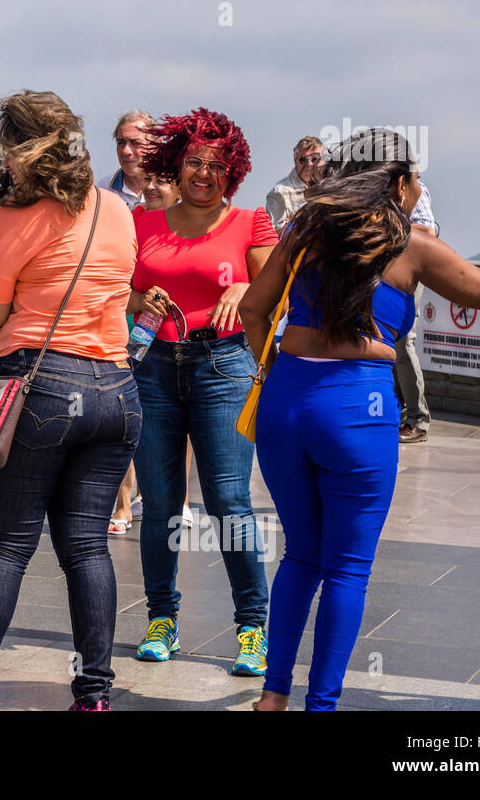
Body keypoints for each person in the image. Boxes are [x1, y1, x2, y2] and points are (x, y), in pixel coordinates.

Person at [241, 128, 480, 711]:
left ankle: (273, 697)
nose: (420, 186)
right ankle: (320, 706)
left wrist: (273, 373)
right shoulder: (409, 242)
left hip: (286, 399)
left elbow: (251, 308)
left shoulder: (302, 230)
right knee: (346, 568)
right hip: (357, 406)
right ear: (396, 183)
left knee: (300, 553)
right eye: (415, 176)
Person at [0, 90, 141, 711]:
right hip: (116, 388)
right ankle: (94, 693)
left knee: (6, 546)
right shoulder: (116, 208)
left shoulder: (11, 218)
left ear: (16, 148)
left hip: (41, 384)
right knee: (86, 548)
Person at [126, 107, 278, 676]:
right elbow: (115, 291)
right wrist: (136, 301)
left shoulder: (251, 222)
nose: (203, 173)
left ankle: (252, 628)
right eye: (193, 162)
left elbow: (276, 288)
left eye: (216, 165)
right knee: (160, 503)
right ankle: (161, 619)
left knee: (229, 501)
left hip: (225, 366)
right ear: (175, 165)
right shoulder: (143, 226)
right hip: (154, 368)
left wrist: (243, 285)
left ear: (231, 172)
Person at [109, 168, 181, 536]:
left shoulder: (192, 224)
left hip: (181, 340)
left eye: (162, 180)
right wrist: (138, 298)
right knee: (127, 421)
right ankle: (123, 502)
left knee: (176, 426)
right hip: (134, 331)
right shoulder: (130, 221)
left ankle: (177, 498)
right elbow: (110, 278)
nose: (150, 186)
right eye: (148, 180)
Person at [396, 182, 437, 443]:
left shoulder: (414, 188)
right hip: (384, 273)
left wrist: (387, 230)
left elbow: (428, 231)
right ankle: (399, 412)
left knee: (403, 343)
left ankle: (417, 419)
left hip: (407, 270)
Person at [265, 136, 325, 234]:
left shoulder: (333, 186)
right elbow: (273, 236)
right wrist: (298, 221)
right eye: (303, 160)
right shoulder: (279, 192)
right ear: (295, 160)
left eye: (314, 159)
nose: (309, 164)